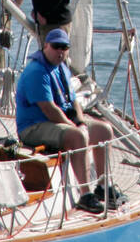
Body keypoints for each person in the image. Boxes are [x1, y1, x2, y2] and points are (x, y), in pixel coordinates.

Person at [15, 29, 123, 212]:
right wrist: (75, 128)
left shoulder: (62, 68)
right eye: (56, 46)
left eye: (64, 47)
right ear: (45, 46)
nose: (60, 51)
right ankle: (85, 194)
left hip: (58, 123)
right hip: (33, 127)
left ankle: (103, 186)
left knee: (104, 130)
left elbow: (74, 101)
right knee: (77, 136)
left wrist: (80, 122)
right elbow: (49, 109)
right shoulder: (37, 72)